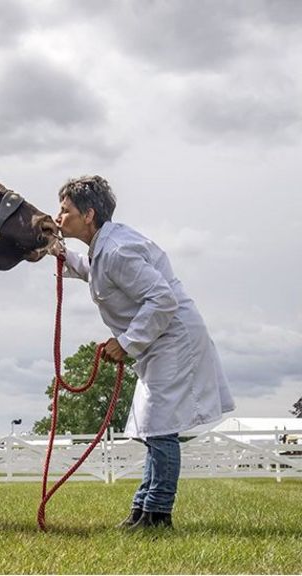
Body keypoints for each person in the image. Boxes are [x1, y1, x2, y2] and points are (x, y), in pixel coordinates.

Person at [51, 175, 235, 530]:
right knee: (154, 428)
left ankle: (157, 514)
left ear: (88, 215)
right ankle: (143, 510)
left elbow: (162, 299)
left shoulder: (116, 250)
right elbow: (95, 272)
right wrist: (59, 253)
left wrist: (126, 342)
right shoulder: (105, 248)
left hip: (172, 338)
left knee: (160, 427)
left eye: (65, 210)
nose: (59, 217)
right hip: (158, 339)